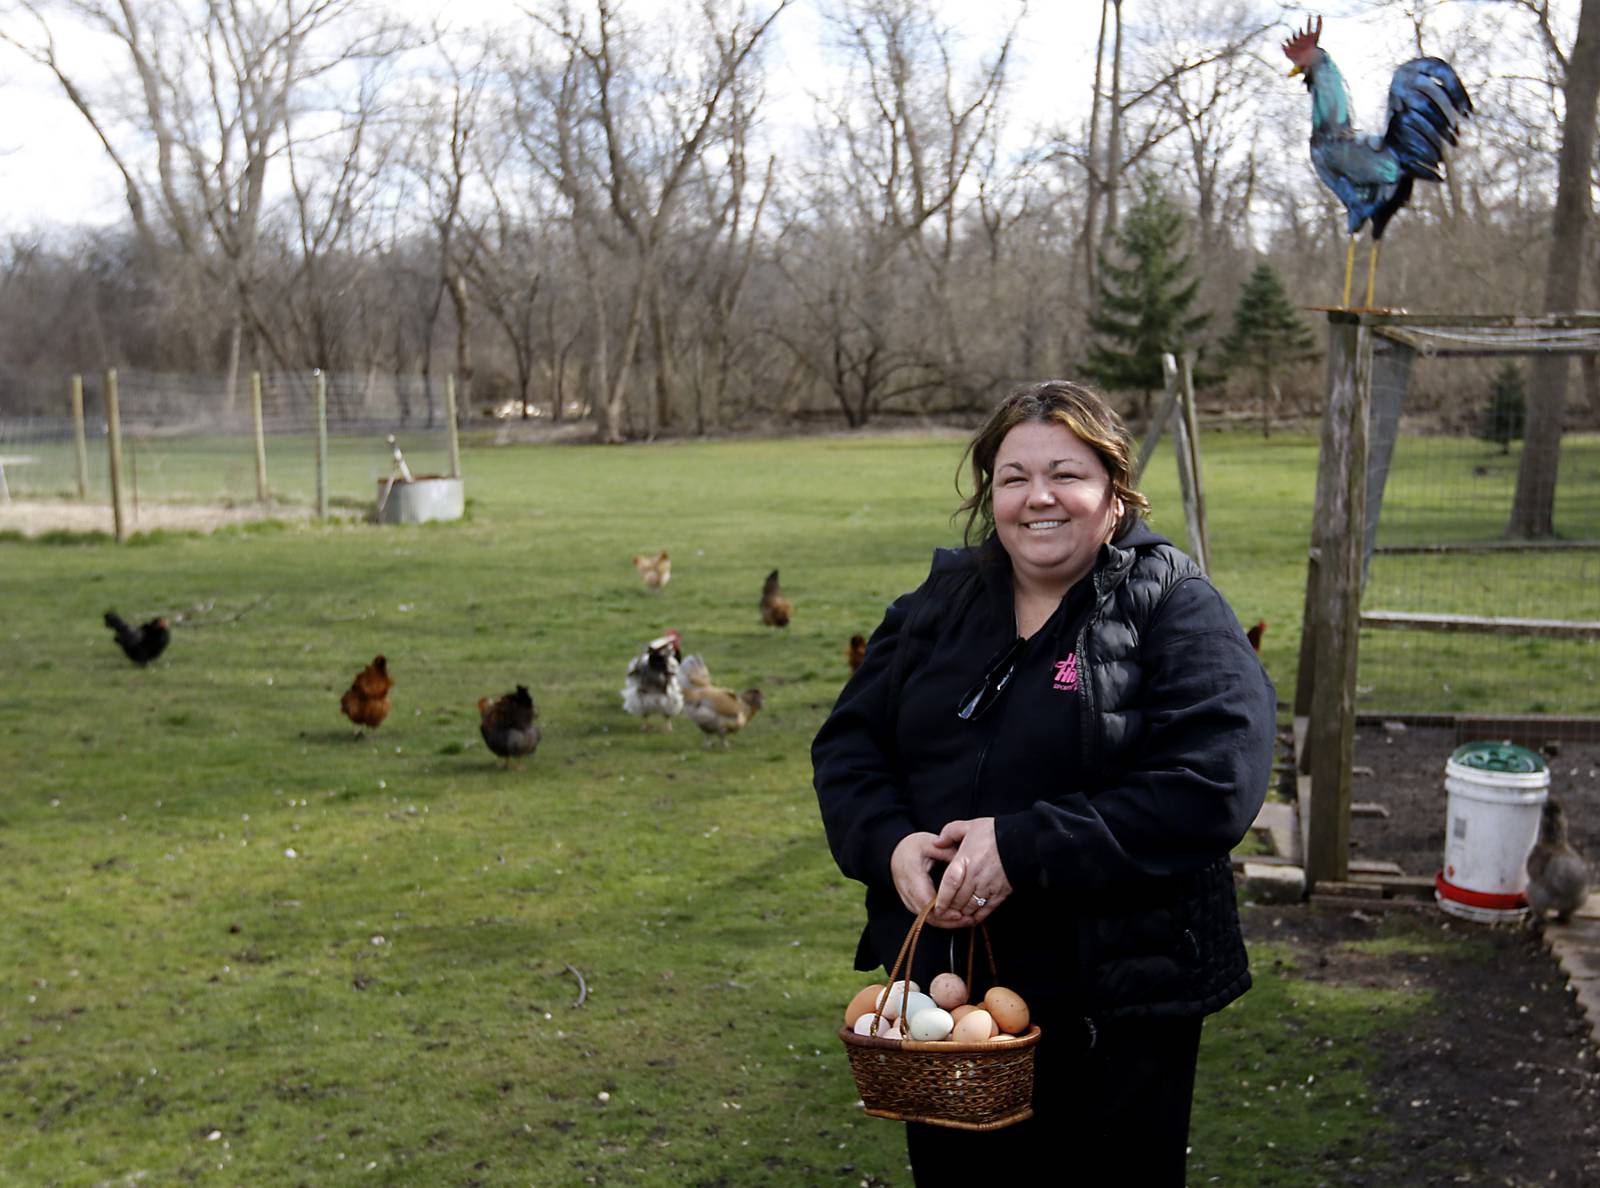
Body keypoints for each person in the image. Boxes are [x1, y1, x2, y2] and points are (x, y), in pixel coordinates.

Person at [813, 380, 1276, 1185]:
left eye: (1066, 474)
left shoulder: (1171, 606)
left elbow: (1214, 784)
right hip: (950, 1009)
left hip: (1114, 1005)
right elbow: (850, 749)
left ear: (1114, 490)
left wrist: (1022, 845)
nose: (1039, 499)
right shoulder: (937, 606)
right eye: (1014, 478)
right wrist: (888, 844)